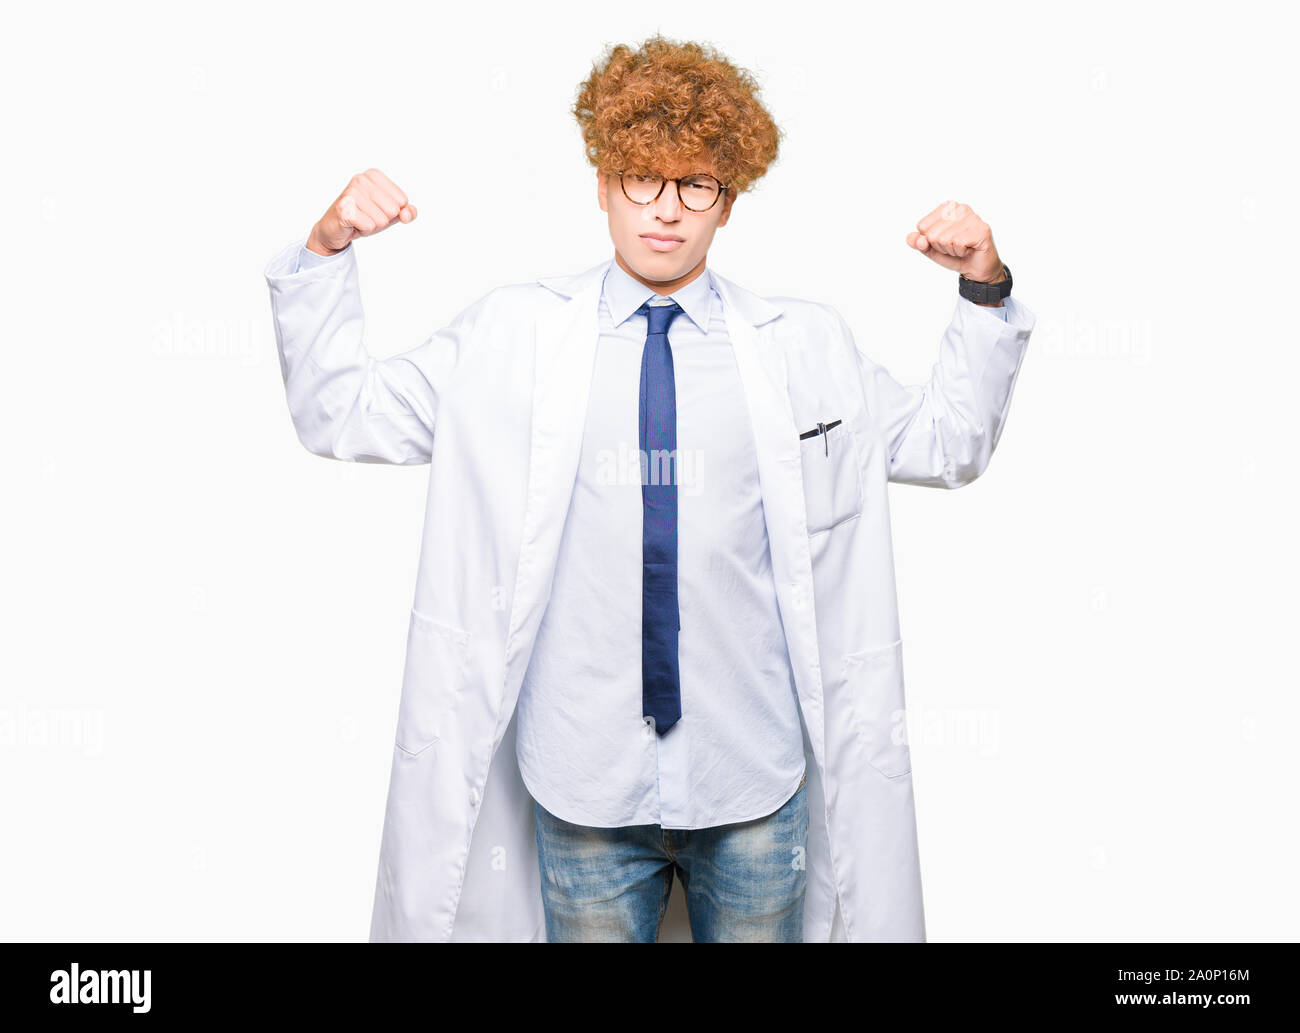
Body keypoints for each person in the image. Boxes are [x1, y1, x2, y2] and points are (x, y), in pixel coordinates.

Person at [263, 33, 1034, 943]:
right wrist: (326, 249)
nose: (665, 210)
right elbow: (338, 413)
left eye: (695, 184)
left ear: (729, 200)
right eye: (641, 178)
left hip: (755, 785)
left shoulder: (806, 348)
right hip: (583, 786)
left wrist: (983, 287)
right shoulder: (508, 340)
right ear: (601, 180)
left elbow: (949, 442)